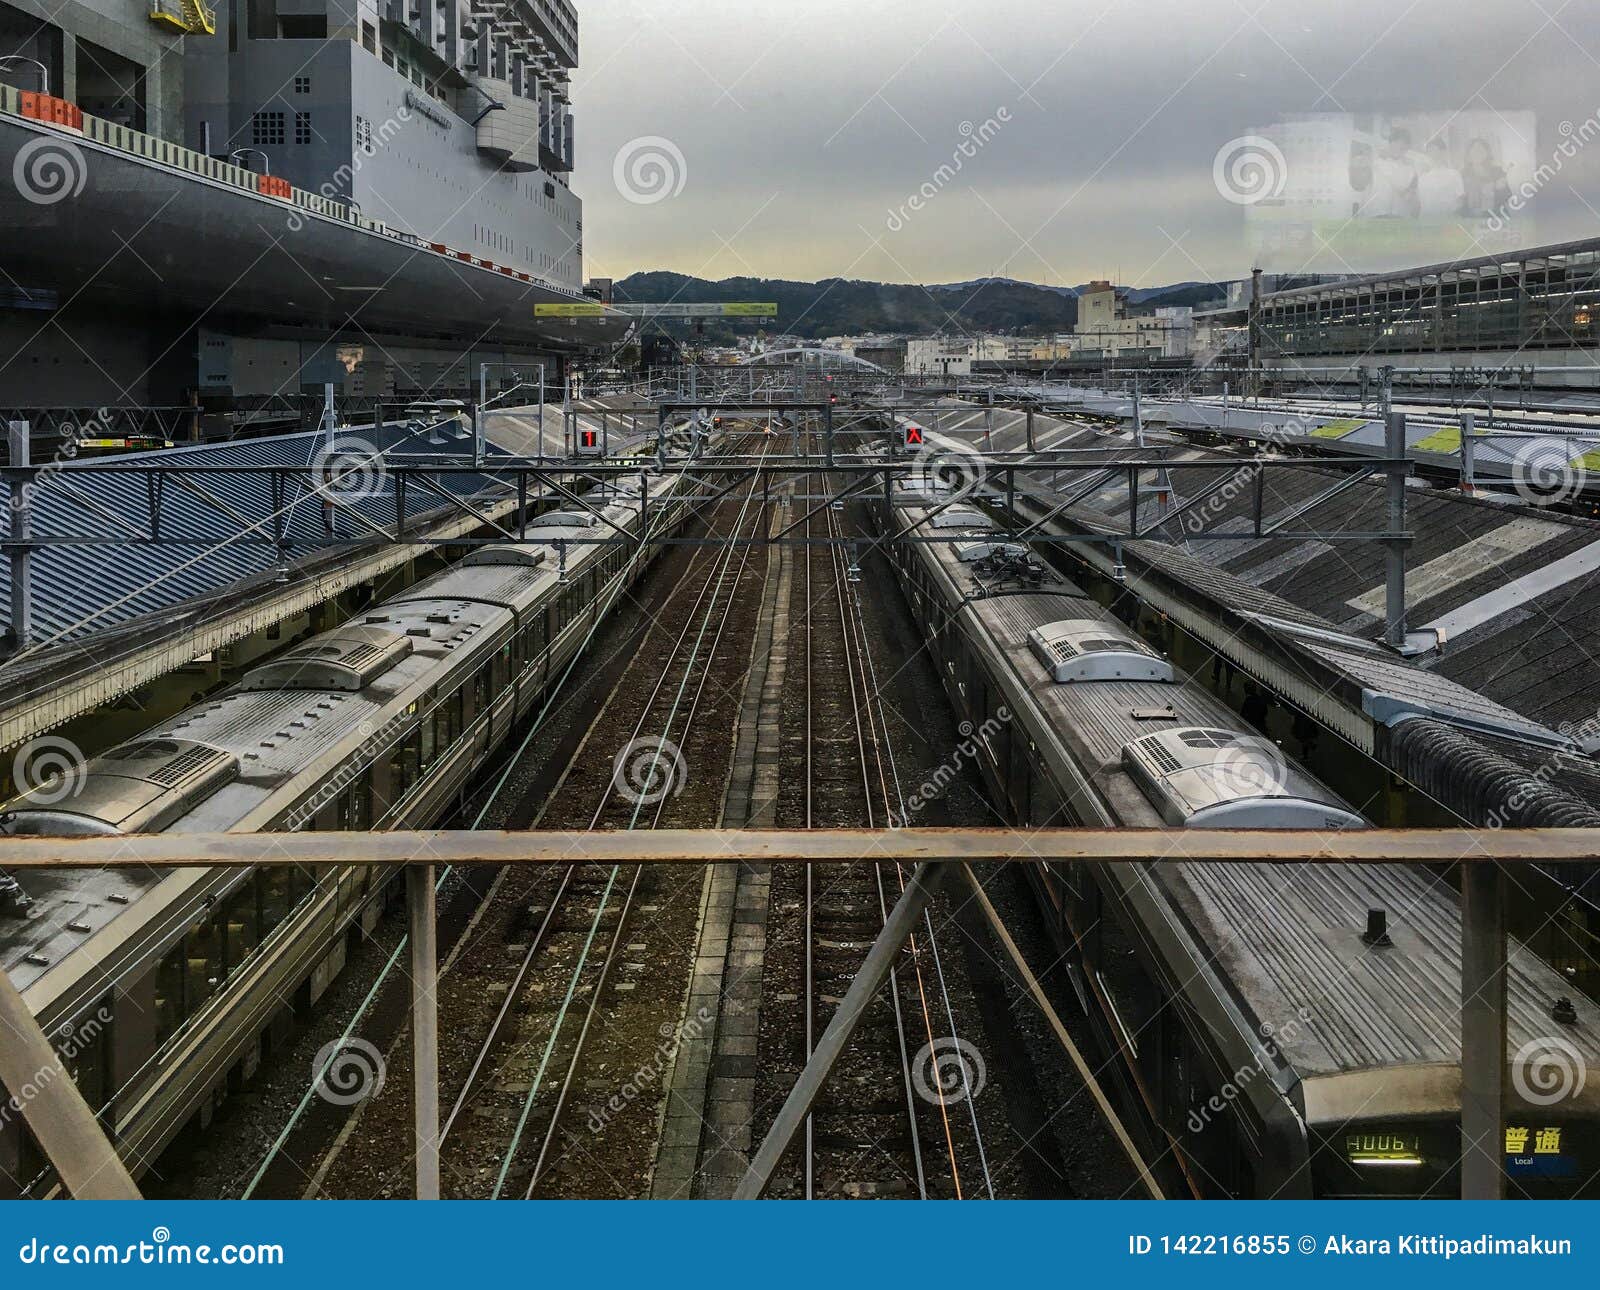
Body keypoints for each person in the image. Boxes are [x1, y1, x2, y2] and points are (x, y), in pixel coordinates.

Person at [1370, 127, 1420, 218]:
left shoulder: (1410, 169)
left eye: (1403, 146)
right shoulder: (1377, 163)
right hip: (1377, 215)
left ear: (1407, 148)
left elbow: (1407, 192)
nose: (1398, 147)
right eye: (1396, 143)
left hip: (1399, 217)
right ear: (1390, 143)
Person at [1461, 137, 1512, 216]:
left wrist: (1500, 189)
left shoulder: (1497, 171)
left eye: (1481, 150)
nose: (1477, 153)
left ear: (1487, 153)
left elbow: (1507, 197)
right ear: (1469, 154)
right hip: (1471, 217)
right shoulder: (1463, 174)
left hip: (1496, 216)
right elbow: (1460, 202)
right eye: (1474, 150)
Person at [1417, 138, 1466, 218]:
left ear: (1444, 152)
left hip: (1448, 221)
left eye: (1437, 150)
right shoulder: (1422, 178)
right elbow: (1421, 204)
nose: (1434, 154)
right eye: (1430, 151)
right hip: (1427, 222)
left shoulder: (1454, 174)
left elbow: (1460, 200)